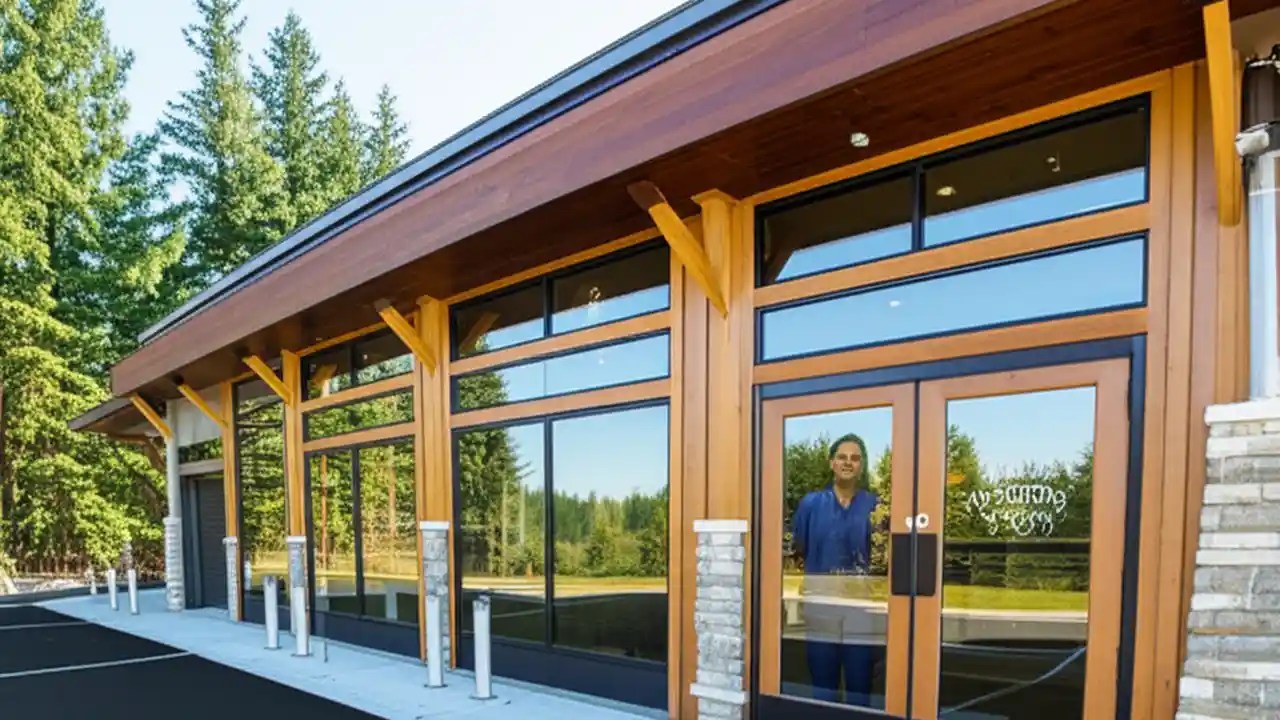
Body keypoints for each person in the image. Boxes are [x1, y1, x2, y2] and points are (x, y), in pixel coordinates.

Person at [791, 433, 880, 706]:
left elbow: (881, 556)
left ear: (861, 466)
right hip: (821, 608)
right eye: (842, 457)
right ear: (831, 463)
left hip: (861, 610)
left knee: (859, 686)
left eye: (855, 458)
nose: (848, 463)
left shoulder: (874, 505)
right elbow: (800, 549)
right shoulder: (811, 504)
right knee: (823, 687)